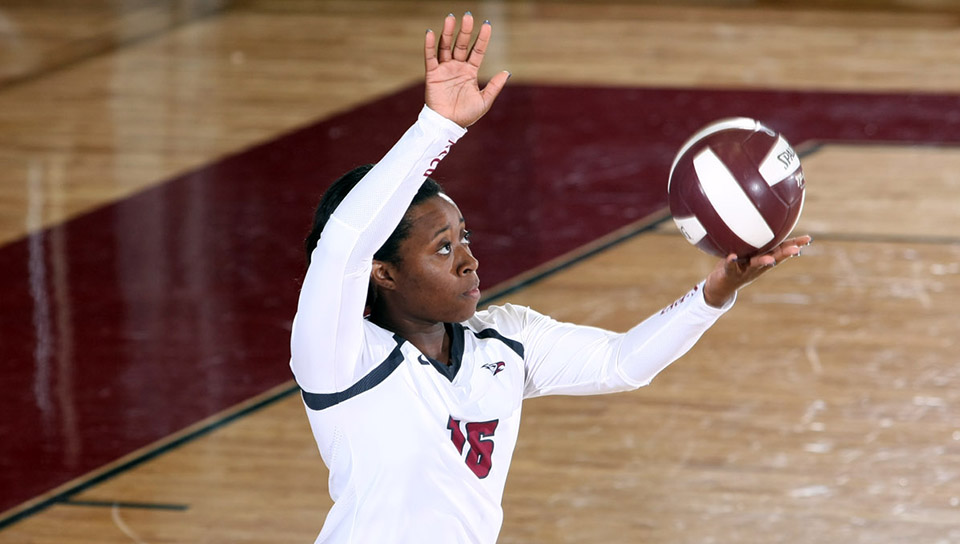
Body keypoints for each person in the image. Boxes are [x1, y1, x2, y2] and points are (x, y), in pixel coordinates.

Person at [290, 12, 811, 544]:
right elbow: (343, 244)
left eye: (464, 237)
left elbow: (621, 363)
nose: (468, 260)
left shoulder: (504, 340)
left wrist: (716, 292)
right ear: (384, 272)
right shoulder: (340, 356)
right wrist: (437, 128)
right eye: (442, 248)